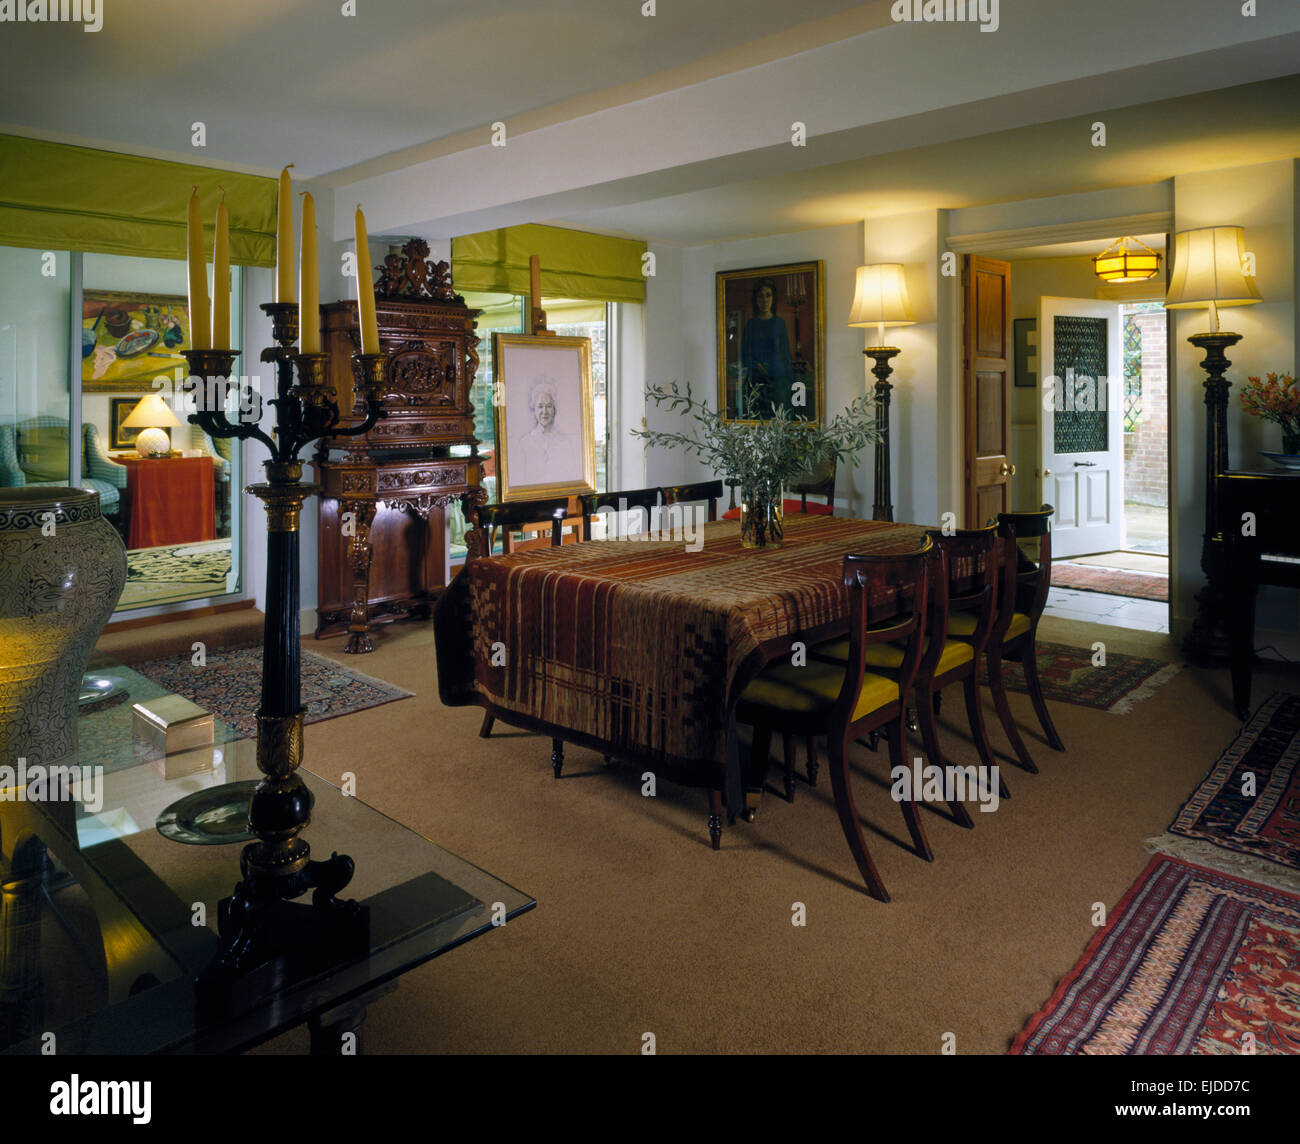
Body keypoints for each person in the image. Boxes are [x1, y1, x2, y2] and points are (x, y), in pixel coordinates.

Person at [739, 278, 794, 416]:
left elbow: (786, 354)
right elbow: (744, 356)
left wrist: (791, 382)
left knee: (780, 420)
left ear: (773, 298)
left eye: (768, 295)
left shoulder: (779, 323)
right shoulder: (751, 325)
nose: (764, 299)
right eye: (761, 296)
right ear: (756, 299)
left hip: (779, 381)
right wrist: (756, 365)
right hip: (756, 382)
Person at [512, 378, 575, 481]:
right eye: (540, 406)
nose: (544, 411)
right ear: (534, 409)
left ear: (554, 410)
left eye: (549, 406)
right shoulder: (524, 443)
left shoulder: (564, 442)